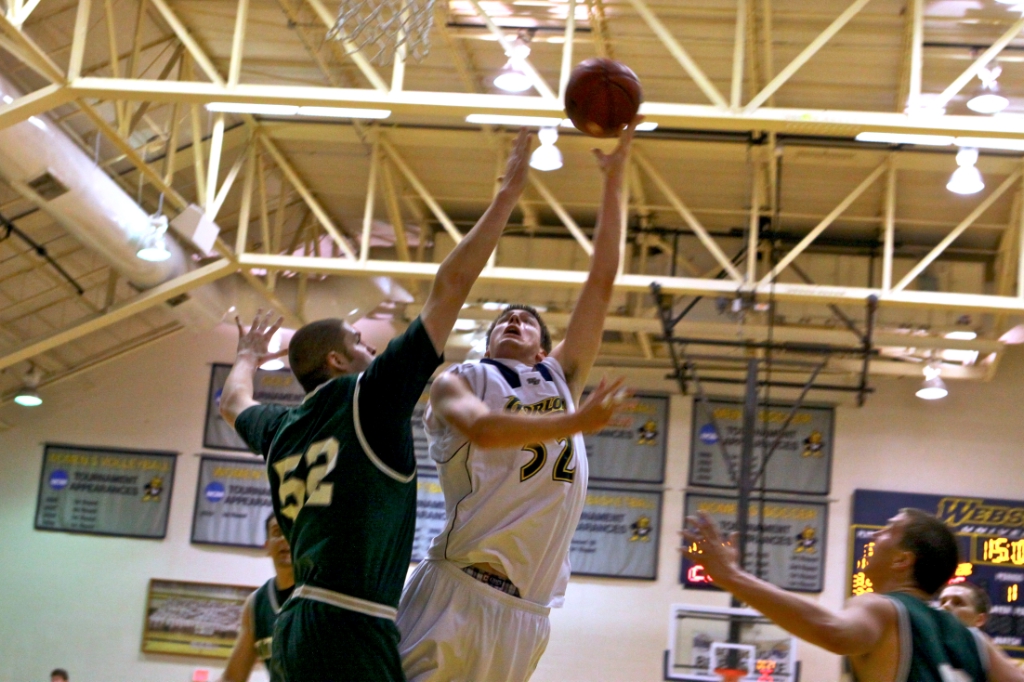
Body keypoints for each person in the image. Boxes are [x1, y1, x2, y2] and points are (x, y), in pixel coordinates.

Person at [219, 130, 540, 682]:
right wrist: (508, 195)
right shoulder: (366, 397)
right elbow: (451, 285)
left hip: (296, 628)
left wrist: (248, 355)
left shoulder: (281, 428)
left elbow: (232, 403)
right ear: (339, 363)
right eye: (362, 343)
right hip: (350, 623)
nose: (374, 347)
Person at [396, 118, 640, 682]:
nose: (514, 320)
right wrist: (578, 421)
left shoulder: (560, 378)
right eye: (505, 318)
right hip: (456, 590)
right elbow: (482, 430)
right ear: (489, 338)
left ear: (541, 348)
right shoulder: (460, 378)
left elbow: (602, 281)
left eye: (527, 320)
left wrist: (614, 180)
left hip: (527, 613)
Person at [682, 508, 1024, 681]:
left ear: (903, 560)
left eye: (888, 530)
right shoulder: (976, 641)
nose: (874, 535)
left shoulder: (882, 608)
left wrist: (732, 576)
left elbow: (833, 631)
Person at [217, 514, 294, 682]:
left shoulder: (318, 594)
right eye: (277, 532)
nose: (284, 538)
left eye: (290, 531)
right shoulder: (256, 604)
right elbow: (232, 678)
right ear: (267, 546)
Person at [940, 582, 1024, 676]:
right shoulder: (927, 642)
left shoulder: (979, 646)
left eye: (958, 603)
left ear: (980, 620)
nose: (946, 606)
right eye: (943, 602)